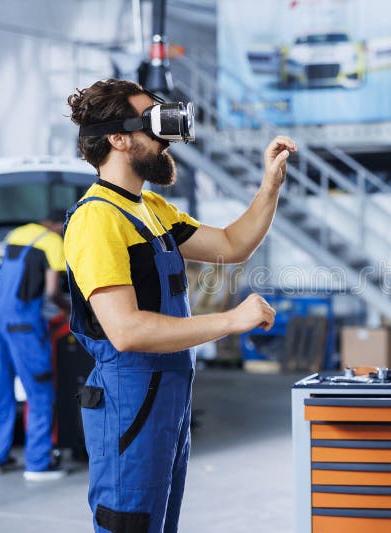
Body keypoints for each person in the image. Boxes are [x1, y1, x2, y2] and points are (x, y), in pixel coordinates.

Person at [65, 79, 293, 533]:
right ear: (118, 138)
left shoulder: (150, 208)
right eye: (151, 123)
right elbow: (126, 330)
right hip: (129, 403)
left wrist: (270, 185)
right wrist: (230, 320)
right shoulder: (96, 219)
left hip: (167, 401)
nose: (164, 138)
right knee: (130, 523)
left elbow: (232, 244)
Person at [0, 209, 70, 480]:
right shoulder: (53, 242)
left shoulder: (16, 234)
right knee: (40, 392)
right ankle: (37, 463)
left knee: (2, 390)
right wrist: (70, 310)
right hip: (24, 326)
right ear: (59, 226)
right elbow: (51, 291)